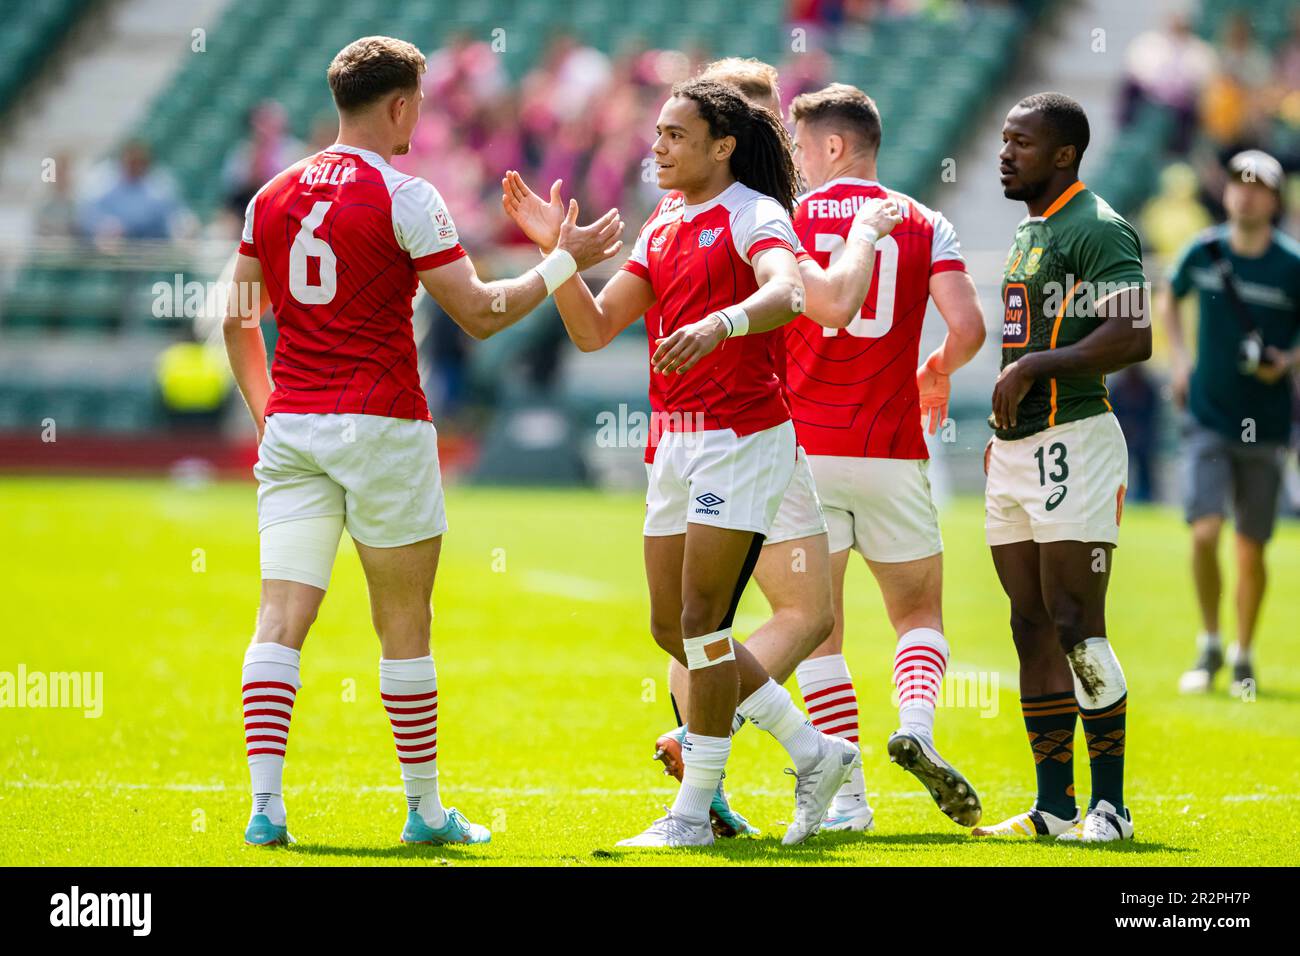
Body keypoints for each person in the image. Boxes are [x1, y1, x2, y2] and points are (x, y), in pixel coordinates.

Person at [222, 35, 622, 848]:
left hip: (296, 423)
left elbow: (236, 320)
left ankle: (265, 809)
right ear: (401, 106)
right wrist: (560, 263)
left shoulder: (271, 194)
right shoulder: (407, 196)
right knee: (404, 624)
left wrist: (269, 413)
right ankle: (425, 811)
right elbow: (479, 312)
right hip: (384, 424)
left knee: (280, 616)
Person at [505, 79, 862, 848]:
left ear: (722, 146)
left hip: (741, 436)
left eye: (675, 134)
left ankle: (693, 816)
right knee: (672, 627)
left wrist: (719, 324)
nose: (658, 146)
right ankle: (815, 752)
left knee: (704, 621)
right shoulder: (664, 219)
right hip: (674, 440)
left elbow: (789, 292)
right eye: (658, 132)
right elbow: (594, 330)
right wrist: (557, 258)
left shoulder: (755, 214)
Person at [782, 82, 987, 831]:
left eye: (802, 147)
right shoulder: (926, 220)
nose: (798, 161)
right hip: (892, 447)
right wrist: (936, 368)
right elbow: (969, 327)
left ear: (834, 146)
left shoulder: (785, 219)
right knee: (919, 611)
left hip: (805, 449)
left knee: (818, 627)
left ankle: (849, 800)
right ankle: (918, 728)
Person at [975, 93, 1150, 843]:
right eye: (1003, 140)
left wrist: (1034, 368)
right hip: (1016, 451)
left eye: (1021, 142)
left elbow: (1134, 335)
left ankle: (1111, 808)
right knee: (1030, 625)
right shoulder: (1032, 229)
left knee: (1077, 621)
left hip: (1075, 441)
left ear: (1064, 154)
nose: (1004, 153)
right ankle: (1053, 808)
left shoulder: (1098, 226)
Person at [1165, 150, 1300, 697]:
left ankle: (1243, 653)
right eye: (1238, 183)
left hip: (1266, 422)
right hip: (1208, 414)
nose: (1245, 193)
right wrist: (1179, 362)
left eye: (1258, 186)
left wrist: (1286, 362)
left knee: (1250, 545)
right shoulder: (1203, 250)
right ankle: (1210, 642)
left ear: (1274, 199)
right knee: (1204, 531)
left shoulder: (1291, 264)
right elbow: (1170, 297)